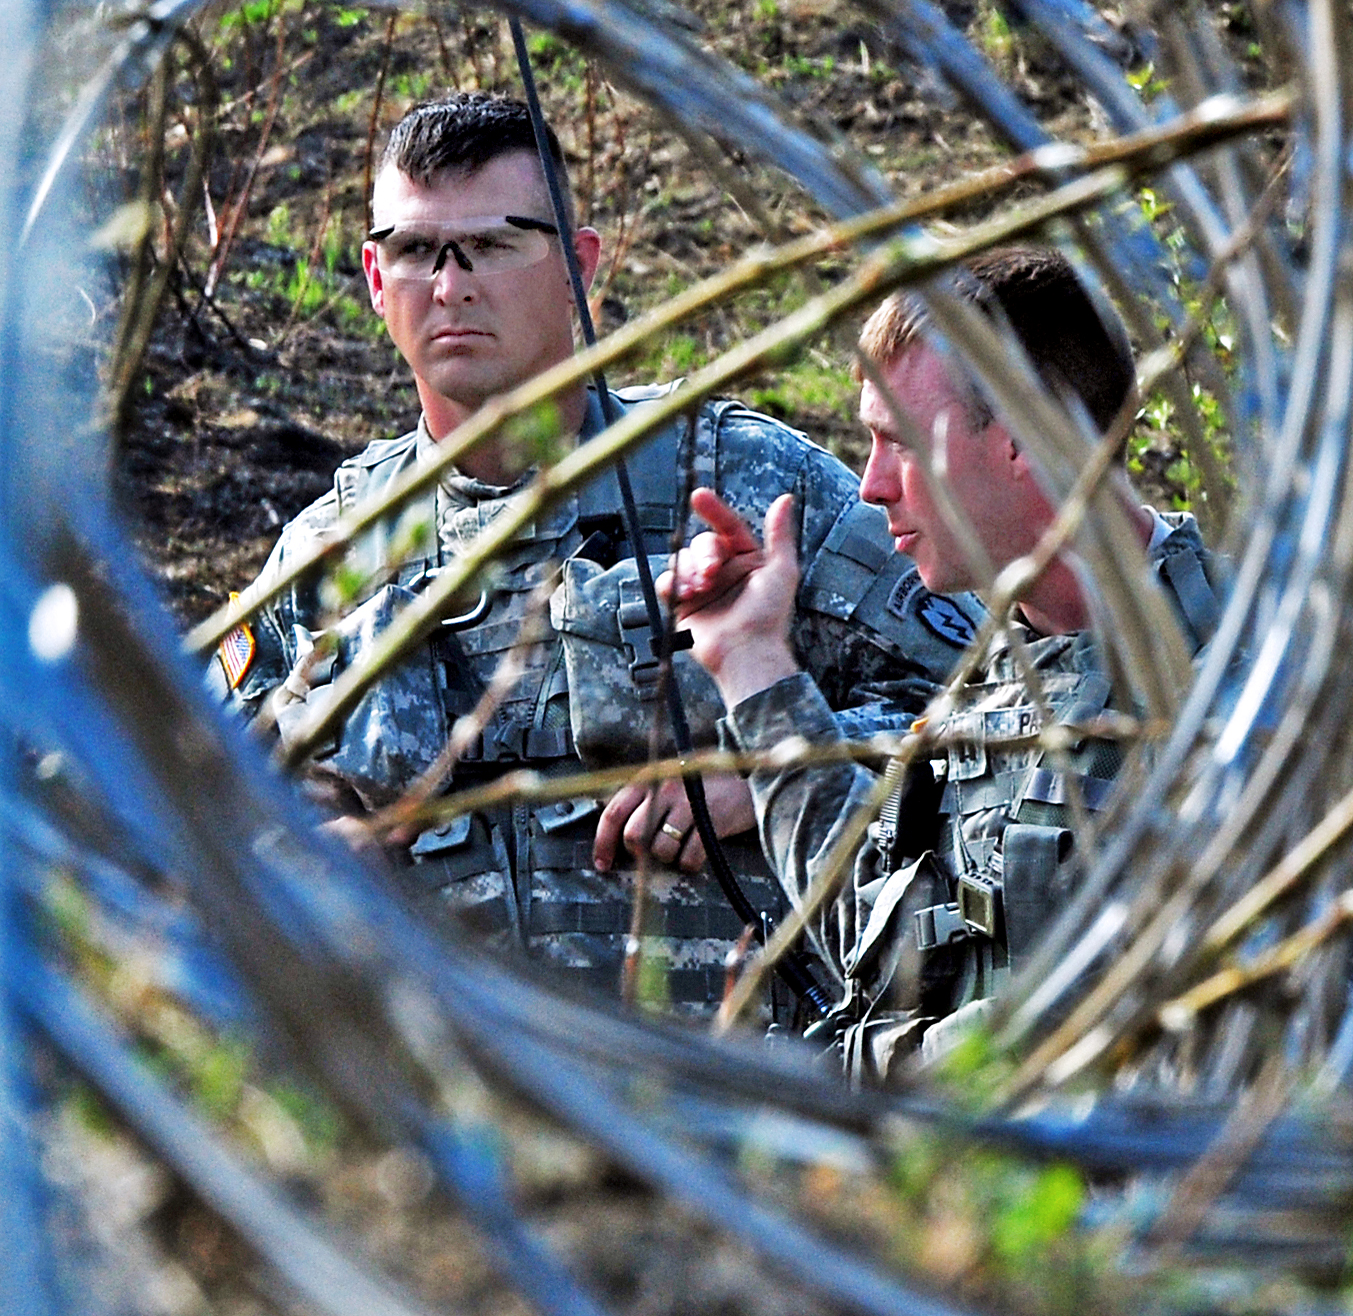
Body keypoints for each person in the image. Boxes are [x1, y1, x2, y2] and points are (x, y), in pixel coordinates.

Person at [211, 92, 977, 1017]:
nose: (451, 284)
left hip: (735, 1104)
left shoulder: (735, 477)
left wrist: (773, 774)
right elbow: (200, 806)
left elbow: (989, 716)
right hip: (458, 1121)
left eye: (493, 245)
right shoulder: (329, 553)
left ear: (577, 268)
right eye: (416, 250)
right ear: (375, 277)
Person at [666, 244, 1228, 1071]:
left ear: (1026, 440)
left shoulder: (1238, 688)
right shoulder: (1001, 669)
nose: (870, 485)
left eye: (897, 442)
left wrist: (879, 1081)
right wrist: (752, 664)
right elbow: (882, 937)